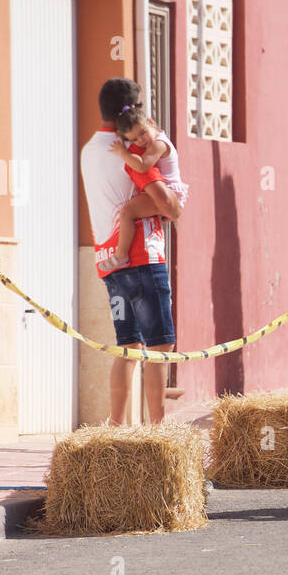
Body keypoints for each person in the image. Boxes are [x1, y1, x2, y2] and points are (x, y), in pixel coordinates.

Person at [79, 77, 183, 425]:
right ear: (136, 109)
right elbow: (168, 206)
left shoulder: (90, 150)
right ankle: (157, 430)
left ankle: (117, 426)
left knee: (128, 348)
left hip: (110, 262)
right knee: (159, 348)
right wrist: (172, 209)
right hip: (143, 259)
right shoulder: (134, 151)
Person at [108, 107, 190, 267]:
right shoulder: (154, 142)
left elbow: (143, 166)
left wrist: (123, 153)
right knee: (129, 213)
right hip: (164, 192)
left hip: (169, 192)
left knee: (127, 213)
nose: (141, 140)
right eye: (135, 140)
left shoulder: (160, 144)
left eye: (142, 133)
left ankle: (120, 256)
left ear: (151, 123)